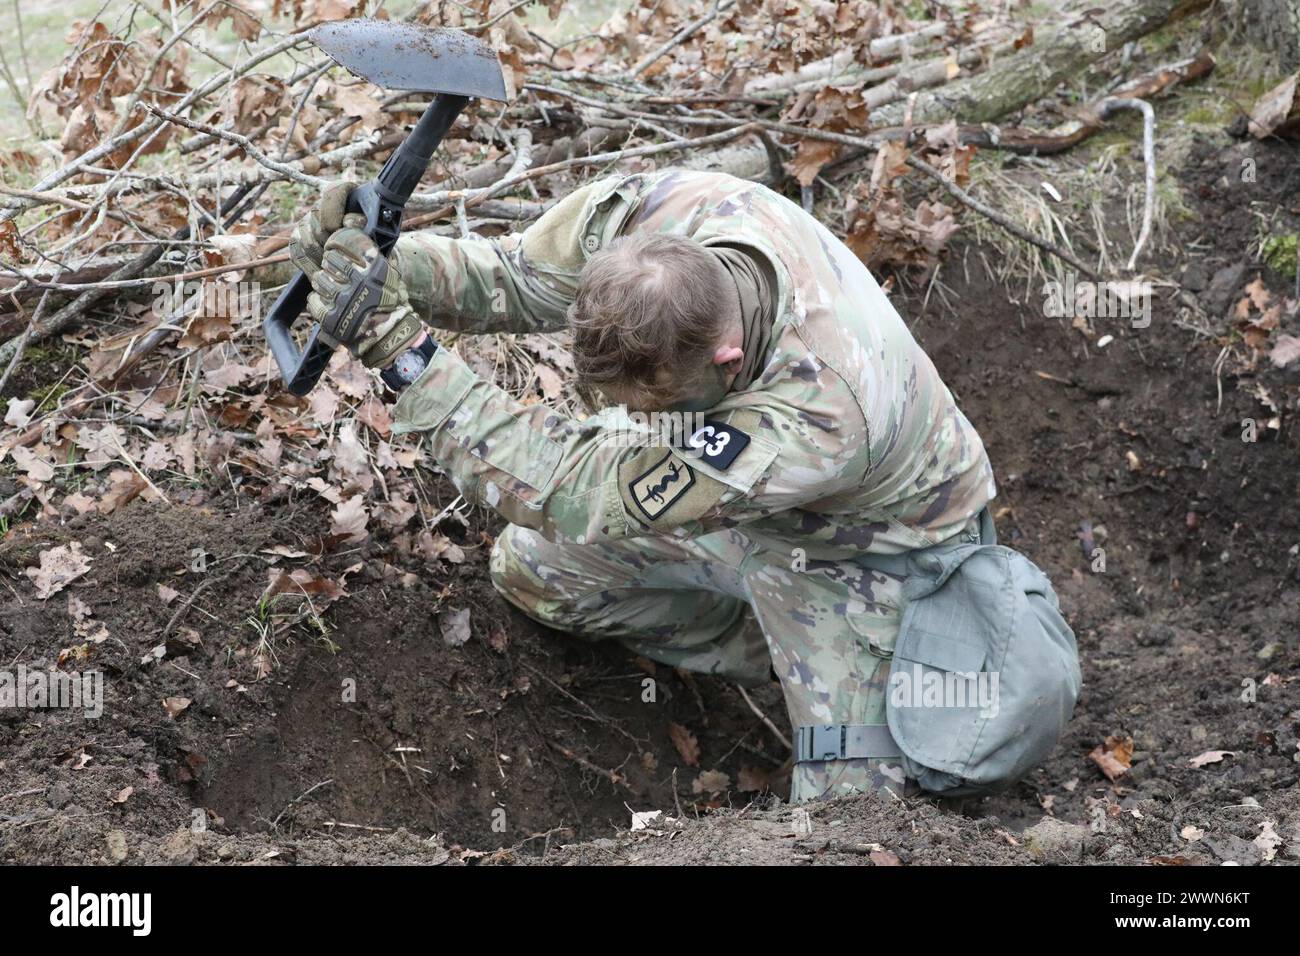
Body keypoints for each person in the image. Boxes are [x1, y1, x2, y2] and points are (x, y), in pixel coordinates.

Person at [288, 169, 1041, 803]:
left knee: (855, 820)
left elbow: (569, 487)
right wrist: (380, 267)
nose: (627, 418)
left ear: (726, 359)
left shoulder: (819, 408)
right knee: (535, 570)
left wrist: (404, 355)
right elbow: (515, 275)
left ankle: (857, 671)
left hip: (872, 556)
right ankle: (772, 655)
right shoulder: (659, 218)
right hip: (745, 512)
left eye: (655, 405)